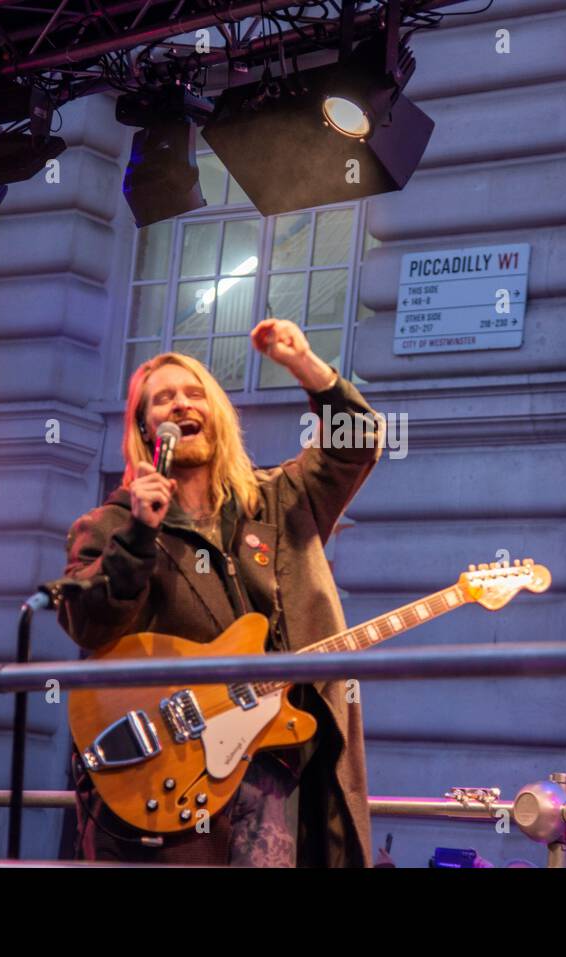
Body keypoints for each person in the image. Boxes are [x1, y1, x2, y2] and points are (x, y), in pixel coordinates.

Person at [57, 318, 382, 866]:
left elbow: (357, 443)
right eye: (164, 399)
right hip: (173, 777)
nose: (183, 405)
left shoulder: (279, 501)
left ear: (217, 415)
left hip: (275, 766)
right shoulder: (111, 524)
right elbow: (88, 623)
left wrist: (305, 364)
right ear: (143, 426)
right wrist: (140, 534)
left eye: (195, 394)